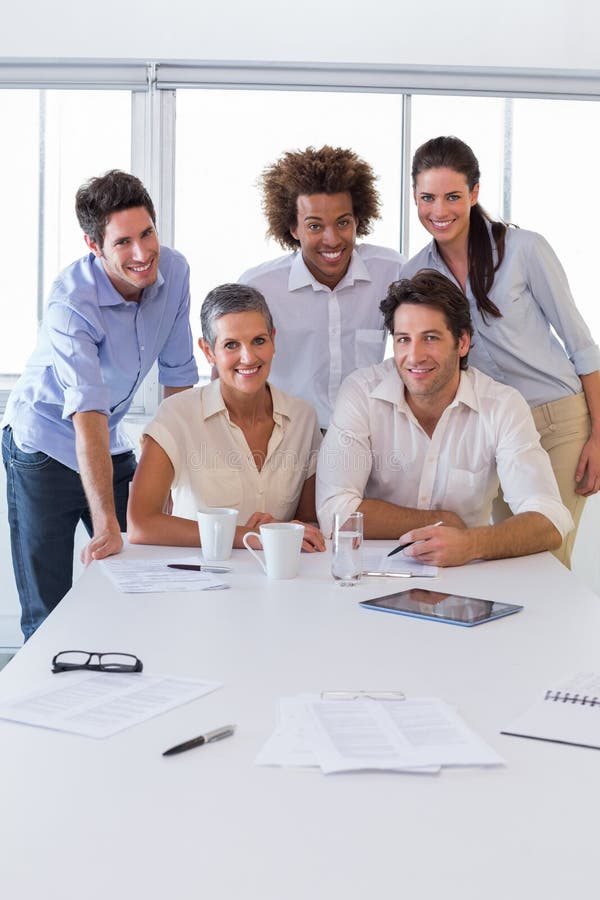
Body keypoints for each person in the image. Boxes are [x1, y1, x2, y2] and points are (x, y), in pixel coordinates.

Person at [2, 170, 198, 639]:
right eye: (123, 242)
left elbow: (179, 383)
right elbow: (85, 413)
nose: (141, 253)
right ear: (94, 246)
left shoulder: (175, 272)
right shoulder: (71, 302)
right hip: (43, 443)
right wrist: (107, 522)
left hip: (108, 436)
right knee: (49, 603)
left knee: (146, 569)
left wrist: (171, 484)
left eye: (147, 233)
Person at [401, 135, 600, 567]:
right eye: (427, 198)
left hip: (556, 420)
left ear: (474, 193)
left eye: (453, 196)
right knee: (503, 556)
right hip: (489, 427)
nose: (439, 211)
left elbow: (582, 345)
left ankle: (554, 636)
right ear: (414, 197)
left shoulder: (525, 249)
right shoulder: (415, 272)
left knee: (546, 553)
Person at [316, 270, 573, 567]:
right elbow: (334, 512)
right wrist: (443, 520)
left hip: (466, 570)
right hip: (372, 570)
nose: (414, 356)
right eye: (403, 340)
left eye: (430, 338)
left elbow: (550, 519)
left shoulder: (502, 405)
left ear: (462, 342)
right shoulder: (361, 392)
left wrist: (471, 543)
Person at [127, 284, 325, 552]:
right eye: (231, 345)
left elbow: (310, 521)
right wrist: (248, 536)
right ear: (208, 351)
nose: (248, 357)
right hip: (199, 580)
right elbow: (141, 525)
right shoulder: (176, 415)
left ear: (273, 340)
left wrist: (282, 529)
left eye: (259, 340)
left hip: (279, 578)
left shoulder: (303, 418)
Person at [239, 145, 403, 428]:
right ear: (293, 229)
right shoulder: (258, 288)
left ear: (358, 221)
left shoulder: (392, 272)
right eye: (315, 226)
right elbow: (229, 370)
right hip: (285, 436)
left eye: (343, 223)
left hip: (366, 434)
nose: (332, 239)